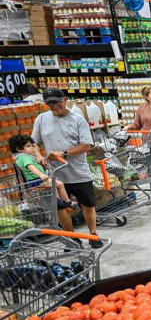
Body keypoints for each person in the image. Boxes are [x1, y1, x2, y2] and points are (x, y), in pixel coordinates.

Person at [32, 88, 103, 248]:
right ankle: (73, 238)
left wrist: (63, 153)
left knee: (87, 204)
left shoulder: (78, 120)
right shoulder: (41, 119)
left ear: (64, 100)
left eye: (56, 102)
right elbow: (34, 143)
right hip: (56, 175)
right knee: (60, 208)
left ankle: (93, 234)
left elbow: (86, 145)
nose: (53, 106)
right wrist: (38, 156)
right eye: (49, 103)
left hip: (78, 172)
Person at [10, 134, 78, 209]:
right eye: (28, 146)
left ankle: (58, 200)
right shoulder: (24, 157)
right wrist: (41, 175)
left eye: (32, 145)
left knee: (52, 184)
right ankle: (68, 202)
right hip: (36, 181)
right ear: (19, 149)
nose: (32, 148)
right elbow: (31, 167)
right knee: (60, 184)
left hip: (33, 181)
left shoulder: (20, 157)